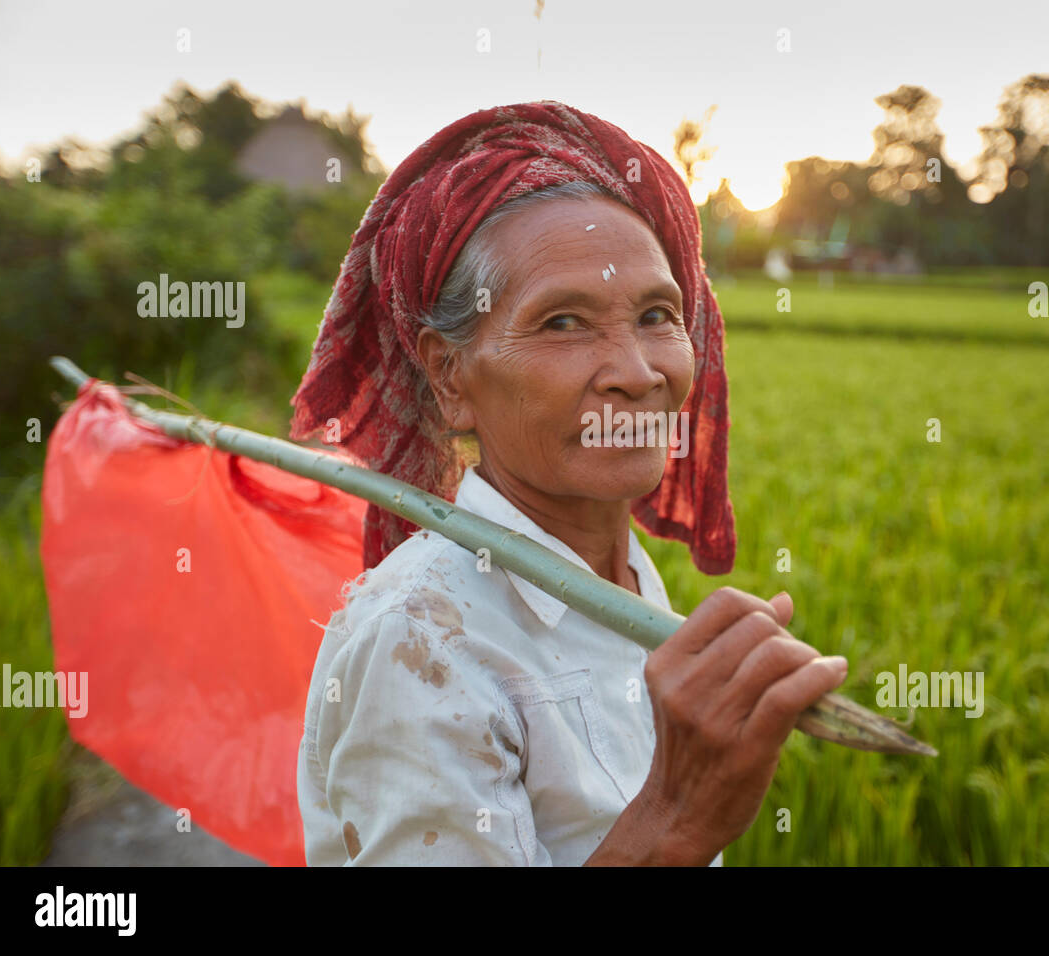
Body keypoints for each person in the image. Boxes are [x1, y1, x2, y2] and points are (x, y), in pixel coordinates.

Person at [293, 101, 848, 866]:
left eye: (658, 314)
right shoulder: (423, 642)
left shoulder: (627, 585)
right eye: (562, 323)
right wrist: (678, 818)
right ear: (450, 374)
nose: (637, 372)